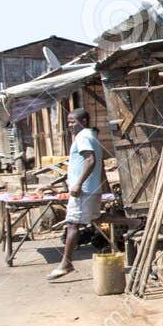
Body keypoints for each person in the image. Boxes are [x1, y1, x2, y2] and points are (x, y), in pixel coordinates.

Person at [49, 108, 106, 281]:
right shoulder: (92, 137)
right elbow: (99, 164)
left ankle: (66, 264)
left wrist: (78, 183)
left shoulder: (83, 138)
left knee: (72, 224)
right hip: (92, 188)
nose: (70, 125)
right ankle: (133, 222)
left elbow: (91, 160)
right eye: (68, 122)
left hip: (83, 190)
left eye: (73, 122)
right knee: (96, 217)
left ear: (84, 121)